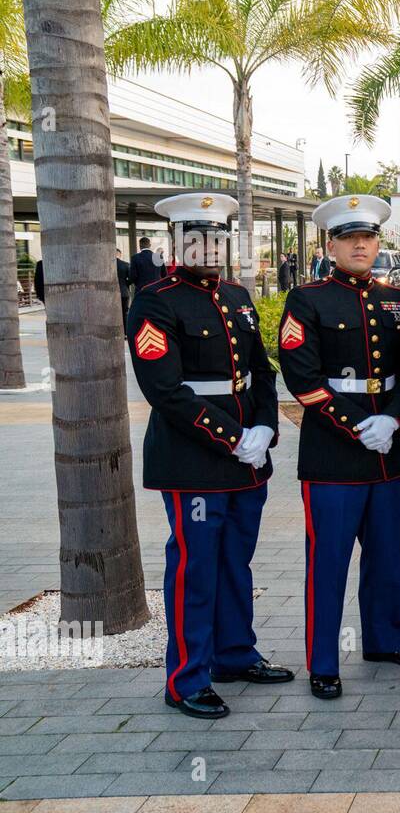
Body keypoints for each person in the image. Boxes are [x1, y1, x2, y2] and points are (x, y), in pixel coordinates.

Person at [126, 193, 293, 719]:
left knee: (234, 562)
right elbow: (165, 390)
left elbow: (261, 371)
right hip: (193, 457)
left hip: (248, 453)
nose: (209, 248)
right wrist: (232, 436)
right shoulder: (155, 301)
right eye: (198, 239)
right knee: (194, 567)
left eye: (217, 239)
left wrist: (264, 426)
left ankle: (234, 654)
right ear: (177, 243)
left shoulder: (239, 296)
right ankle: (186, 678)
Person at [278, 194, 400, 700]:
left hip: (386, 449)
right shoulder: (308, 300)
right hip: (333, 454)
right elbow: (301, 376)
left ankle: (386, 639)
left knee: (387, 554)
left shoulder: (397, 301)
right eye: (349, 238)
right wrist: (357, 425)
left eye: (367, 237)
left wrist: (392, 419)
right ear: (332, 245)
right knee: (329, 561)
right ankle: (323, 661)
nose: (360, 245)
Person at [116, 249, 131, 338]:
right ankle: (125, 333)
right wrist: (125, 284)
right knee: (124, 313)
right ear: (120, 255)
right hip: (123, 292)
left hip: (110, 293)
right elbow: (131, 278)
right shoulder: (125, 264)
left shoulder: (107, 264)